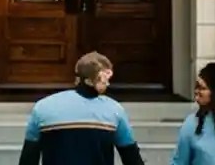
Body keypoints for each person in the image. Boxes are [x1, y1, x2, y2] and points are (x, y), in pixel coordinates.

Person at [18, 51, 146, 165]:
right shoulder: (114, 110)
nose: (108, 83)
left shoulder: (43, 107)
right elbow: (131, 157)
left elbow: (28, 158)